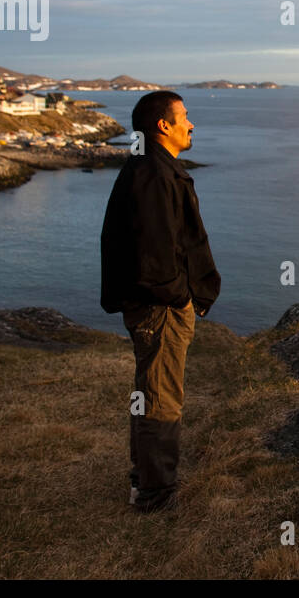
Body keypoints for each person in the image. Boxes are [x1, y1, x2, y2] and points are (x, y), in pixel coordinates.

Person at [100, 91, 221, 512]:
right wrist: (181, 298)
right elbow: (155, 256)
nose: (191, 124)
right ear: (163, 126)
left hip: (157, 304)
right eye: (184, 117)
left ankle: (146, 481)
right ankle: (155, 494)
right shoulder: (153, 173)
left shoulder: (151, 167)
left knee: (149, 394)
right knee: (159, 400)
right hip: (160, 308)